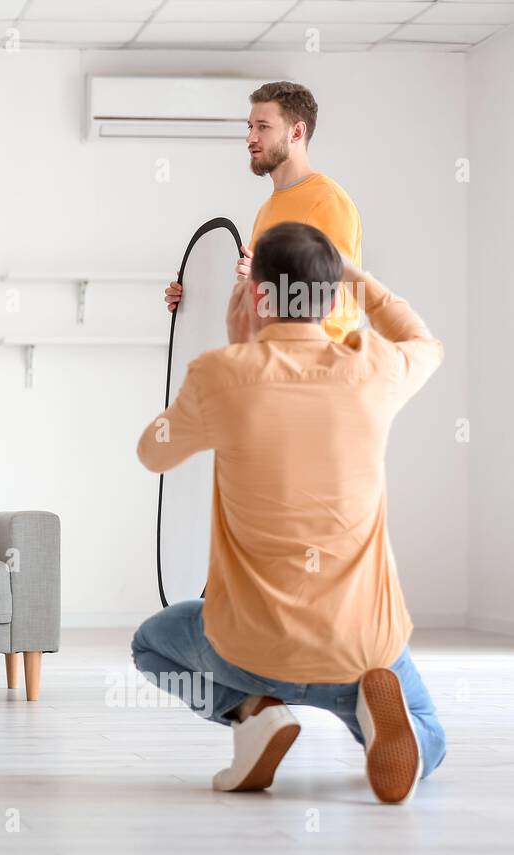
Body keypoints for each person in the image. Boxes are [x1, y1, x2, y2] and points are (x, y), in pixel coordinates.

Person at [134, 221, 445, 804]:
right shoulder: (371, 369)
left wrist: (232, 356)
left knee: (151, 643)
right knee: (428, 737)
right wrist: (363, 280)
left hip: (248, 649)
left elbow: (152, 451)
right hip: (359, 649)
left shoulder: (224, 376)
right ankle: (377, 719)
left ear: (256, 295)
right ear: (333, 296)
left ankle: (256, 712)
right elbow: (427, 345)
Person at [165, 81, 363, 343]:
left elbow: (340, 302)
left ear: (296, 132)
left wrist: (262, 285)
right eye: (250, 127)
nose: (251, 138)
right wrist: (196, 294)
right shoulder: (268, 209)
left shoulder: (328, 202)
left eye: (263, 127)